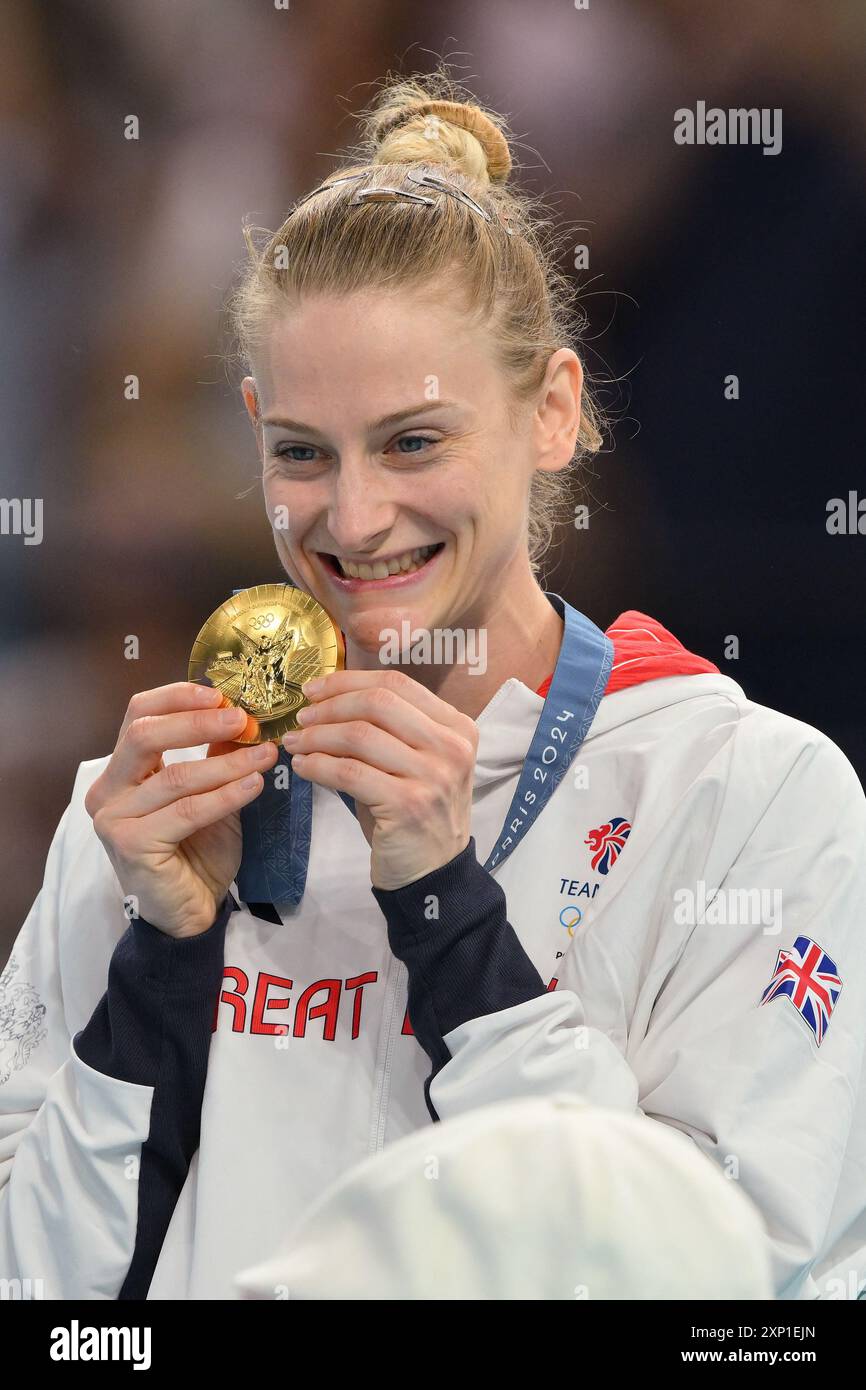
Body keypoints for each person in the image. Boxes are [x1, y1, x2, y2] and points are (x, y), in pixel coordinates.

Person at [1, 71, 864, 1302]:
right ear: (252, 430)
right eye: (301, 451)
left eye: (413, 441)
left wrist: (453, 922)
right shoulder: (144, 821)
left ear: (552, 412)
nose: (352, 518)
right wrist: (160, 969)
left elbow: (731, 1300)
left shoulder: (746, 799)